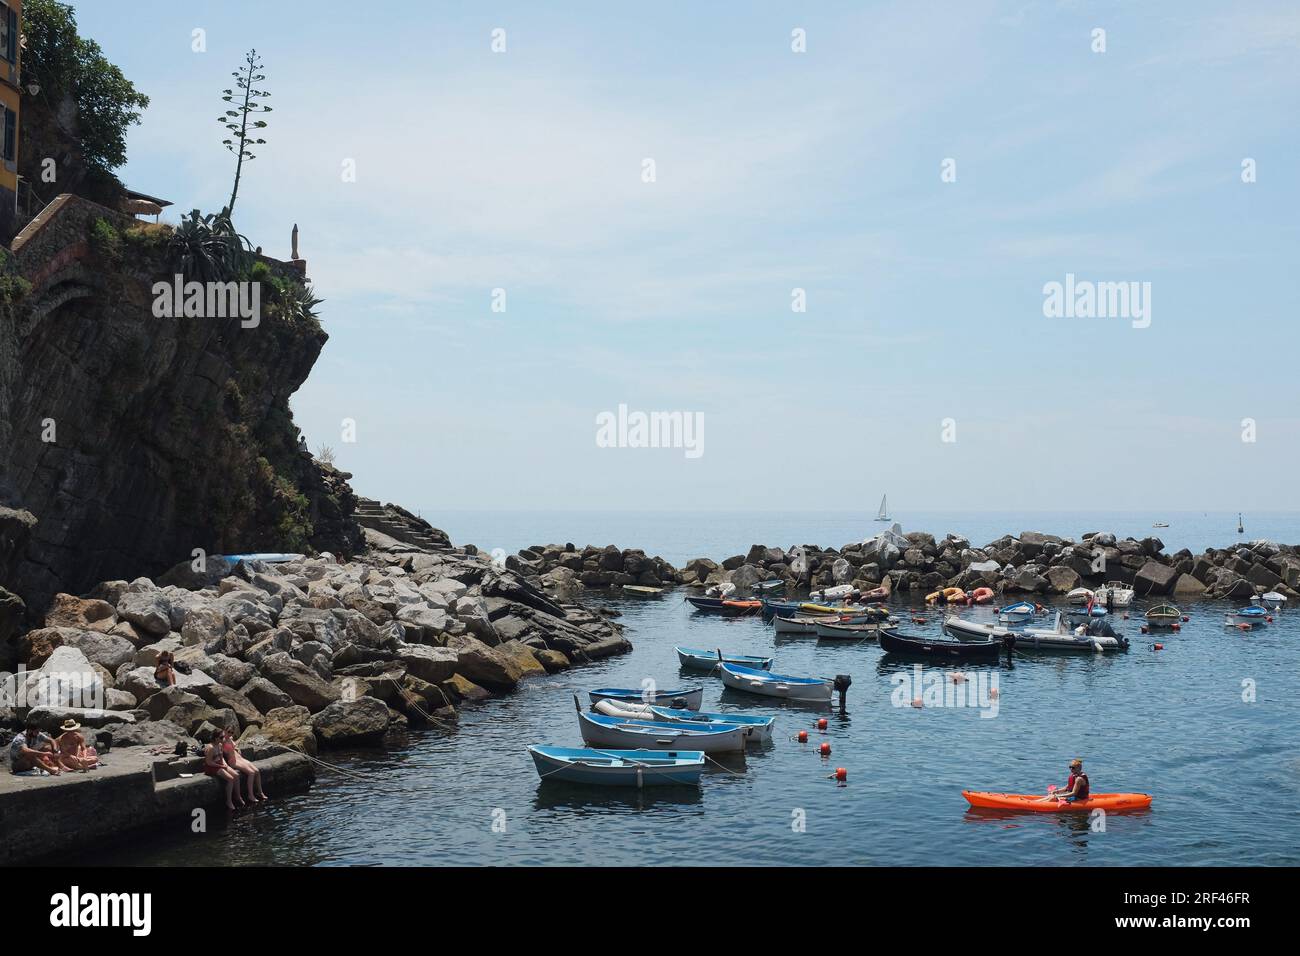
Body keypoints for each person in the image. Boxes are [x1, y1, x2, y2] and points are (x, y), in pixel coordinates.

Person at [221, 729, 266, 803]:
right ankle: (250, 795)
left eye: (232, 732)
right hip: (233, 761)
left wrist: (236, 748)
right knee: (251, 773)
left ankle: (260, 792)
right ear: (225, 731)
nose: (230, 734)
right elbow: (218, 747)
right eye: (228, 732)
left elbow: (233, 747)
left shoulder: (230, 738)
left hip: (240, 758)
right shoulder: (222, 741)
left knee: (257, 771)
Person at [202, 732, 243, 810]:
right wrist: (221, 766)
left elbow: (221, 758)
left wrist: (225, 765)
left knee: (236, 775)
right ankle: (229, 801)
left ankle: (238, 796)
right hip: (212, 767)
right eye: (221, 737)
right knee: (230, 779)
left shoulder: (220, 745)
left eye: (223, 737)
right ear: (216, 738)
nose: (223, 739)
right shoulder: (210, 748)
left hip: (220, 764)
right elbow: (209, 762)